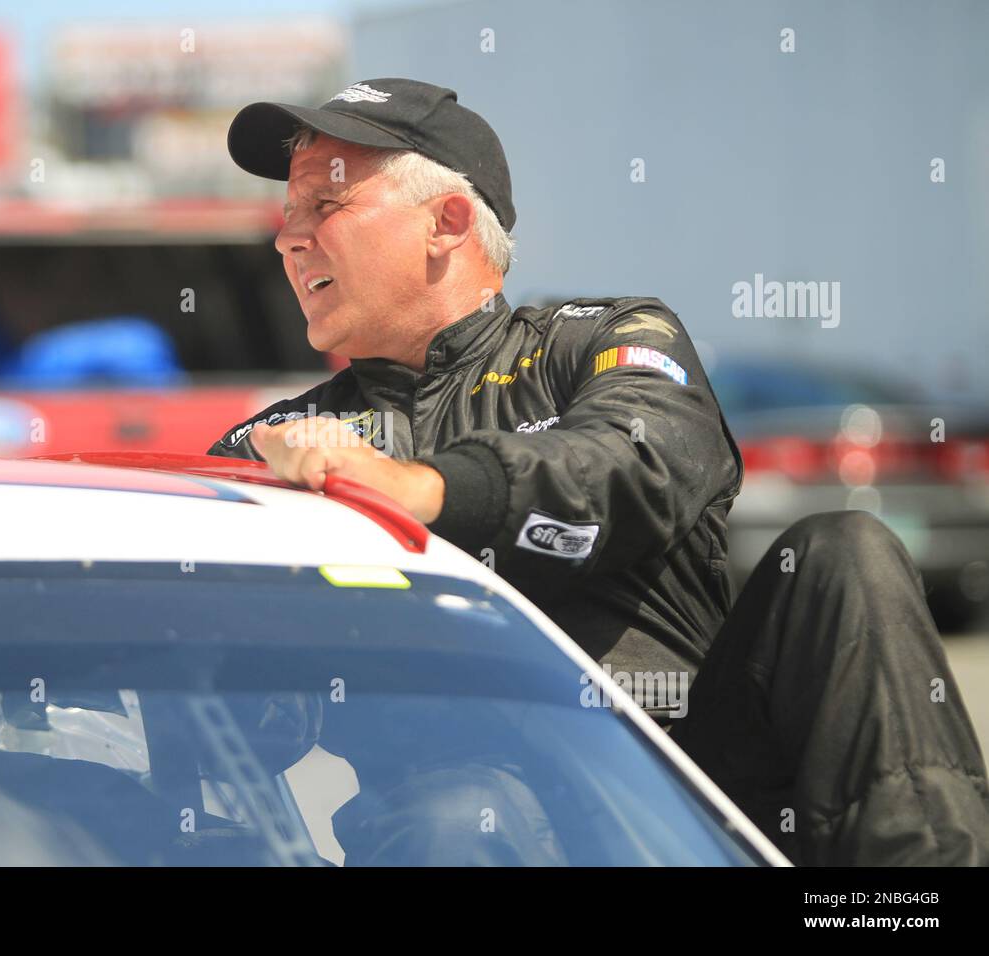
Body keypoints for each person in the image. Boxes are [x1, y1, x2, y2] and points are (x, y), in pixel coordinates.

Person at [206, 77, 989, 865]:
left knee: (845, 549)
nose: (287, 239)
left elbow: (640, 462)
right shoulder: (266, 446)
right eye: (287, 214)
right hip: (457, 816)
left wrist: (422, 490)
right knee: (453, 814)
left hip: (686, 799)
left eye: (325, 206)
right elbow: (232, 713)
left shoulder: (600, 338)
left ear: (446, 222)